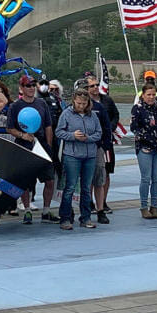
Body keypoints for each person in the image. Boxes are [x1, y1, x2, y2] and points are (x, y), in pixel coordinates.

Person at [8, 75, 55, 223]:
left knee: (49, 180)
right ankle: (27, 210)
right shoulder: (15, 106)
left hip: (41, 145)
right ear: (21, 88)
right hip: (24, 146)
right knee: (25, 181)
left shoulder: (42, 104)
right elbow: (10, 128)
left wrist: (48, 146)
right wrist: (22, 135)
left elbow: (48, 126)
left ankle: (46, 211)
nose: (31, 88)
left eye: (33, 85)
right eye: (28, 85)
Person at [55, 84, 102, 229]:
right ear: (74, 101)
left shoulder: (93, 115)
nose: (81, 106)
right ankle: (65, 218)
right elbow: (59, 132)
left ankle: (86, 217)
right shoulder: (67, 114)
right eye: (79, 103)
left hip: (90, 155)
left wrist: (88, 138)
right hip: (72, 155)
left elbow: (99, 133)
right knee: (69, 187)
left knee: (86, 188)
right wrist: (72, 136)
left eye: (84, 103)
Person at [130, 80, 157, 218]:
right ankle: (144, 206)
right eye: (148, 94)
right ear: (143, 95)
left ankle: (154, 206)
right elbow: (135, 128)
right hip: (144, 147)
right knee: (146, 178)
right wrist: (151, 141)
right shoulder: (137, 108)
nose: (151, 97)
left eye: (153, 94)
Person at [86, 76, 120, 223]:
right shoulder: (84, 103)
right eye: (92, 85)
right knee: (90, 175)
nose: (95, 87)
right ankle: (90, 202)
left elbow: (115, 115)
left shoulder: (107, 101)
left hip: (105, 144)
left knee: (105, 173)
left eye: (97, 85)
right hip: (90, 145)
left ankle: (103, 202)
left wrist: (110, 129)